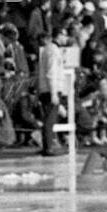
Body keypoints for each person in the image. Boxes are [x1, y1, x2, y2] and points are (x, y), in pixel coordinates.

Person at [37, 25, 69, 156]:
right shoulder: (52, 50)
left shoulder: (50, 49)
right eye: (65, 35)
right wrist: (54, 92)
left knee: (50, 118)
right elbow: (51, 72)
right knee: (50, 119)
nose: (66, 38)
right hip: (50, 89)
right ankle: (49, 146)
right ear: (59, 35)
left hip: (49, 88)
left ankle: (48, 145)